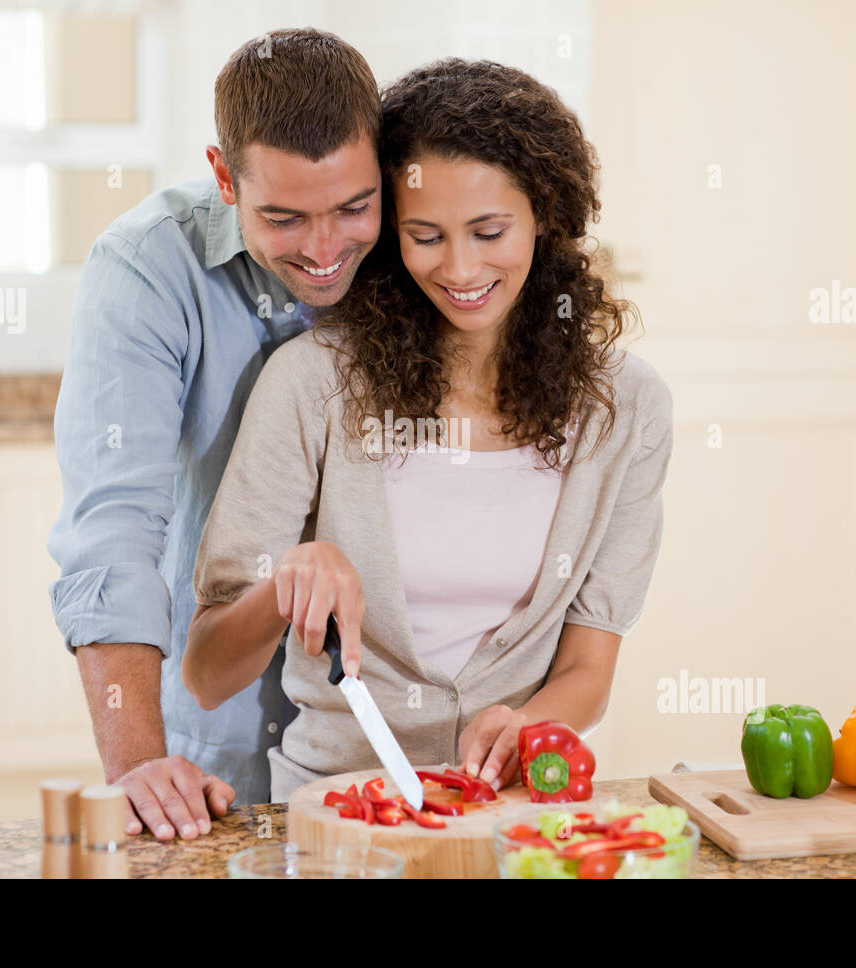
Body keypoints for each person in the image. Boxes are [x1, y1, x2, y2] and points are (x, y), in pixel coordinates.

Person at [184, 58, 674, 802]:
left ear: (545, 214)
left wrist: (526, 724)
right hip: (337, 807)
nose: (461, 267)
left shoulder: (625, 408)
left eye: (488, 230)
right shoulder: (313, 383)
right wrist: (284, 586)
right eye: (426, 235)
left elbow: (588, 672)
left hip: (511, 808)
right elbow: (207, 671)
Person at [46, 27, 382, 838]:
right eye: (285, 218)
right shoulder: (146, 268)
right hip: (220, 736)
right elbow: (114, 531)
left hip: (380, 741)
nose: (327, 249)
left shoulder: (416, 241)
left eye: (353, 206)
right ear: (224, 177)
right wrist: (137, 768)